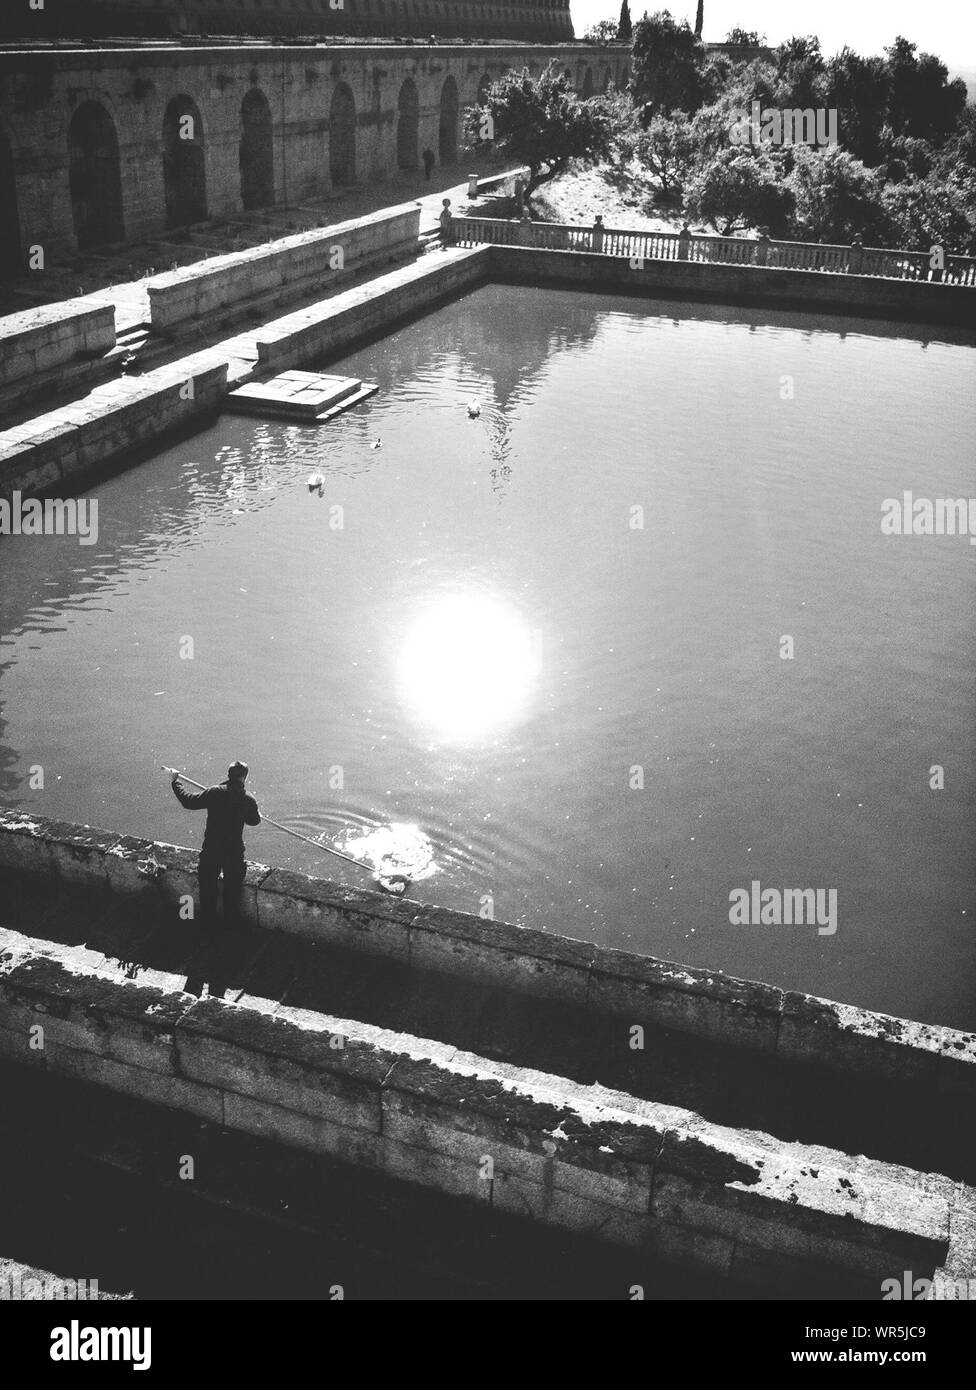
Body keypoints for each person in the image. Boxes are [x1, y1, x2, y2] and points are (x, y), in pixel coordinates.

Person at [171, 761, 260, 930]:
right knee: (232, 894)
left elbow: (188, 802)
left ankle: (208, 928)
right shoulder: (248, 799)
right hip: (234, 852)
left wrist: (176, 782)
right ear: (244, 777)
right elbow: (254, 821)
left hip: (211, 849)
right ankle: (229, 930)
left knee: (208, 891)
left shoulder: (214, 792)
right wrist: (253, 811)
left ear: (228, 774)